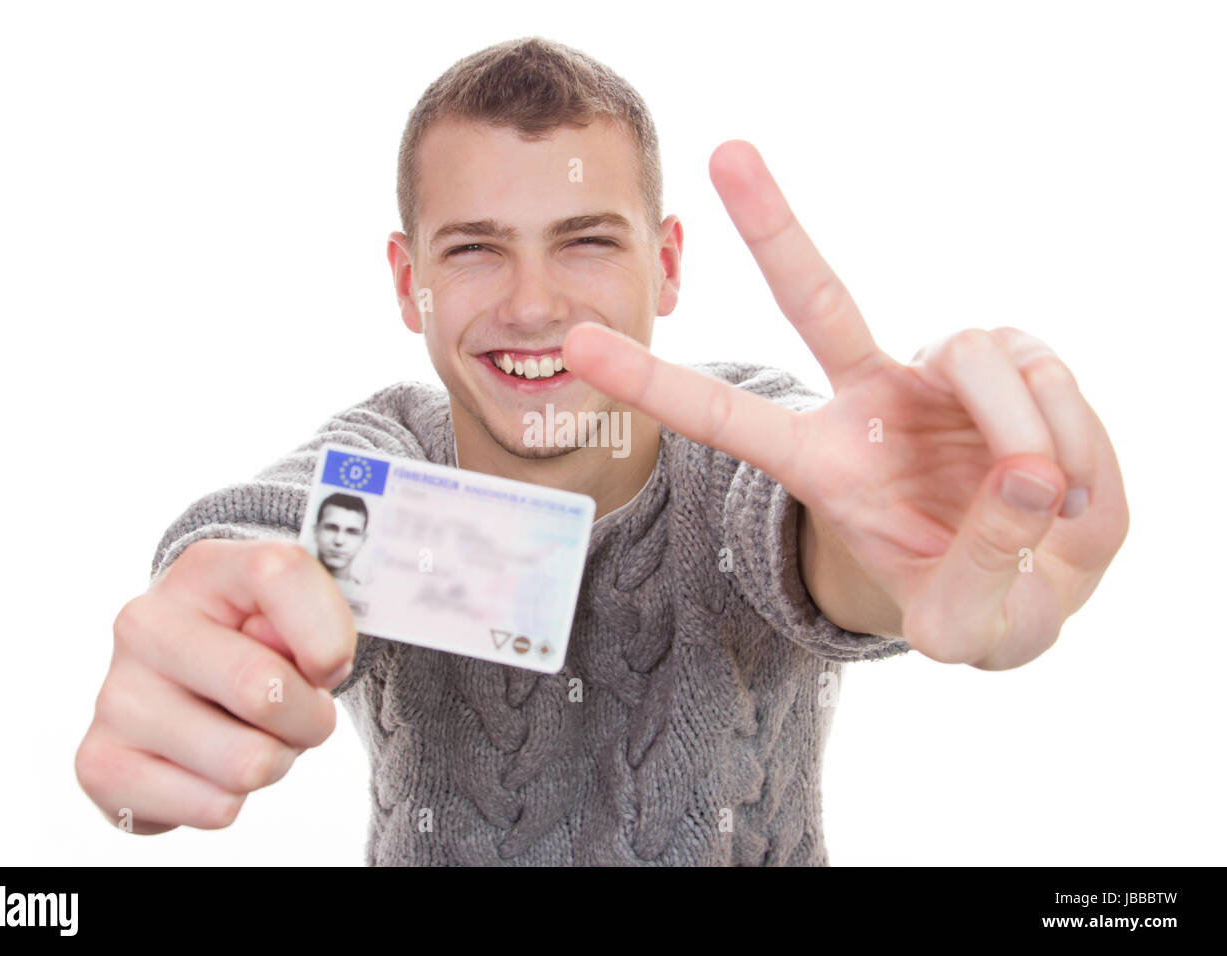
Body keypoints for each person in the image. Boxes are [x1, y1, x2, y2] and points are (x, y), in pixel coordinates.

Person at [75, 37, 1129, 864]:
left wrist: (926, 550)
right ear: (408, 283)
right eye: (476, 248)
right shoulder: (384, 455)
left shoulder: (765, 446)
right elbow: (255, 534)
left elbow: (825, 542)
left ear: (666, 264)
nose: (534, 306)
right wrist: (195, 624)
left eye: (585, 240)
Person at [311, 493, 371, 616]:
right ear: (316, 531)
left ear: (363, 540)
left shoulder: (369, 598)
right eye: (331, 528)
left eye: (352, 532)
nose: (339, 541)